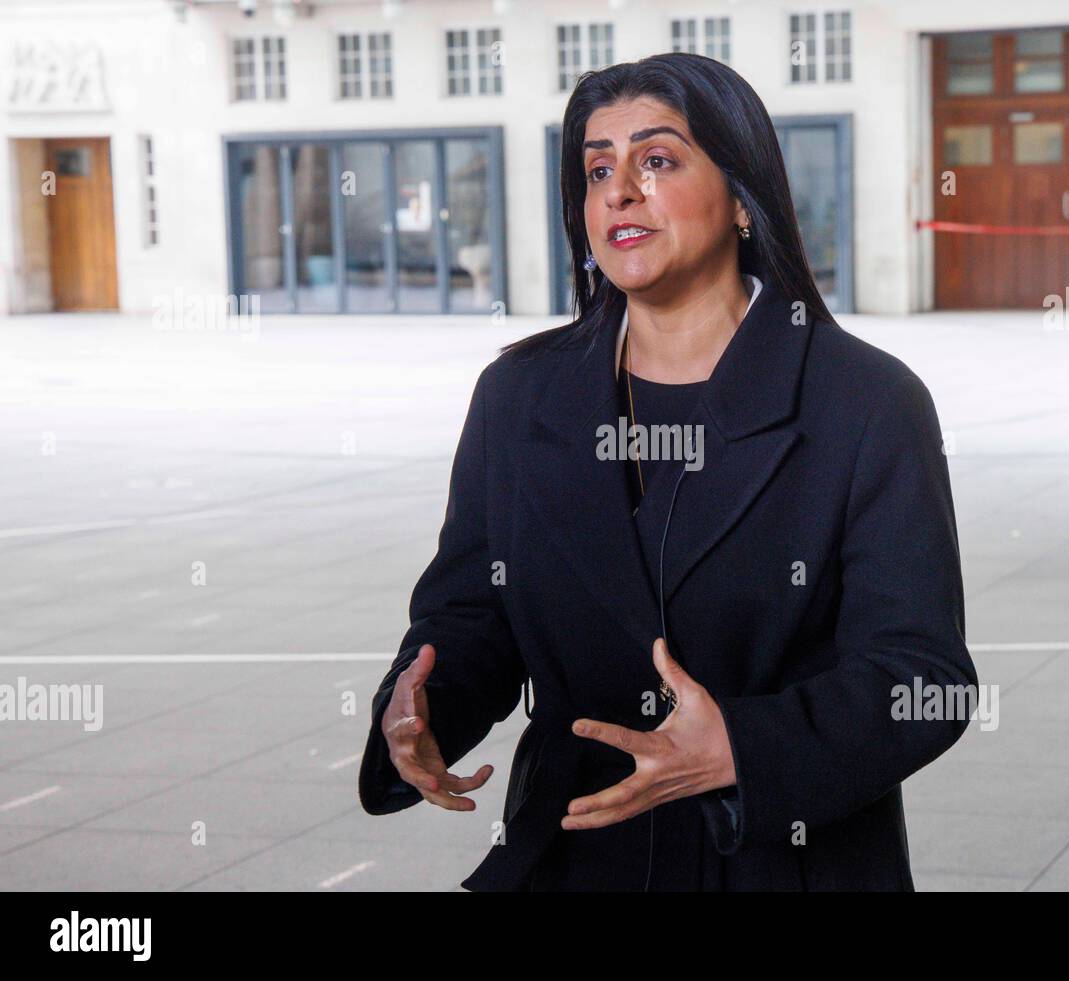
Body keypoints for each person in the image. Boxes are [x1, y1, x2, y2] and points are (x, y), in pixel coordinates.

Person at [358, 52, 977, 891]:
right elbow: (472, 613)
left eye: (657, 160)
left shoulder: (865, 401)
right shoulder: (516, 397)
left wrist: (745, 746)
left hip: (782, 865)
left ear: (742, 197)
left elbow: (923, 679)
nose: (619, 191)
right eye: (597, 168)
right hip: (571, 854)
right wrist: (424, 706)